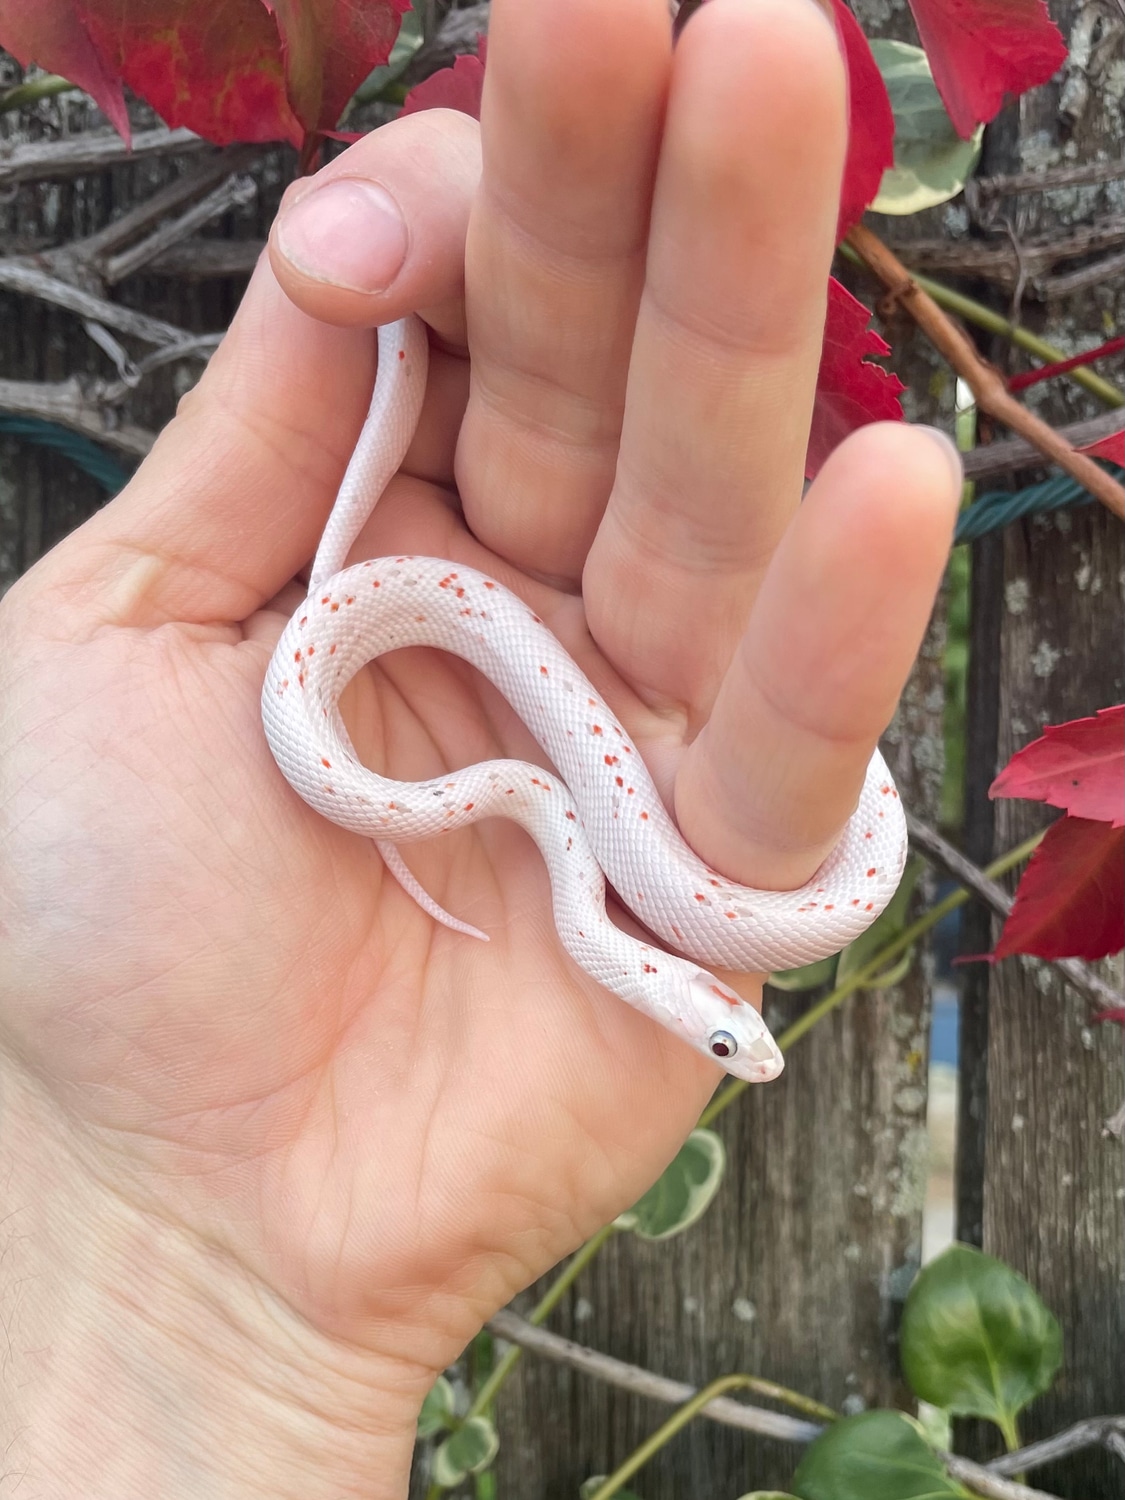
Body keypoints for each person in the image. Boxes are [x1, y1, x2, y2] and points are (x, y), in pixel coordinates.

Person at [0, 0, 960, 1492]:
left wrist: (247, 1350)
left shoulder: (587, 875)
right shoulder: (541, 838)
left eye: (720, 1030)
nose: (731, 1036)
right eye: (723, 1029)